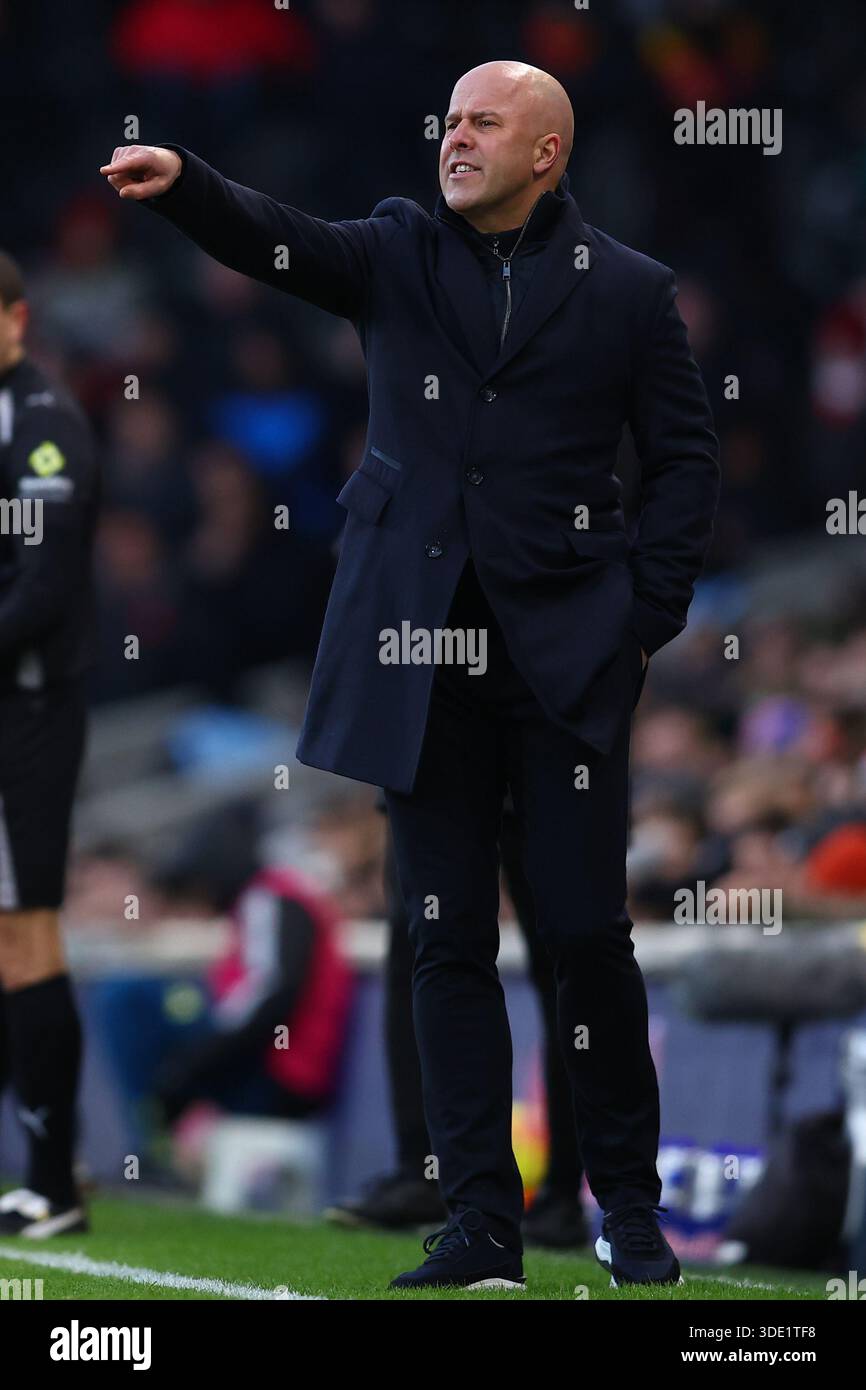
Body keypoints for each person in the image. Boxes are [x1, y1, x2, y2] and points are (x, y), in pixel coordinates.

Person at [101, 57, 719, 1290]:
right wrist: (188, 189)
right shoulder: (393, 248)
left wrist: (641, 617)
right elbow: (281, 242)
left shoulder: (631, 292)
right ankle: (478, 1220)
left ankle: (628, 1212)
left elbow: (683, 460)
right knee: (441, 943)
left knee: (587, 940)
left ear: (547, 151)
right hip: (412, 654)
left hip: (561, 661)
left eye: (485, 122)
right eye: (447, 118)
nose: (455, 137)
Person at [0, 250, 99, 1237]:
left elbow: (42, 587)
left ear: (17, 319)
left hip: (25, 714)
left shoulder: (42, 426)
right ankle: (42, 1170)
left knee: (25, 932)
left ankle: (53, 1184)